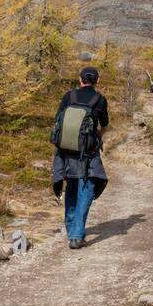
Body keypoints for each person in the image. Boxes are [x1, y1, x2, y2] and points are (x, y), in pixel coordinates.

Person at [50, 66, 109, 249]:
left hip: (66, 152)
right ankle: (76, 235)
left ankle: (71, 229)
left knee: (72, 188)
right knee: (87, 189)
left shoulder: (69, 96)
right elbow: (104, 125)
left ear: (79, 79)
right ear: (97, 81)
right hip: (88, 154)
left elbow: (57, 121)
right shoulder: (100, 99)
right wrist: (98, 135)